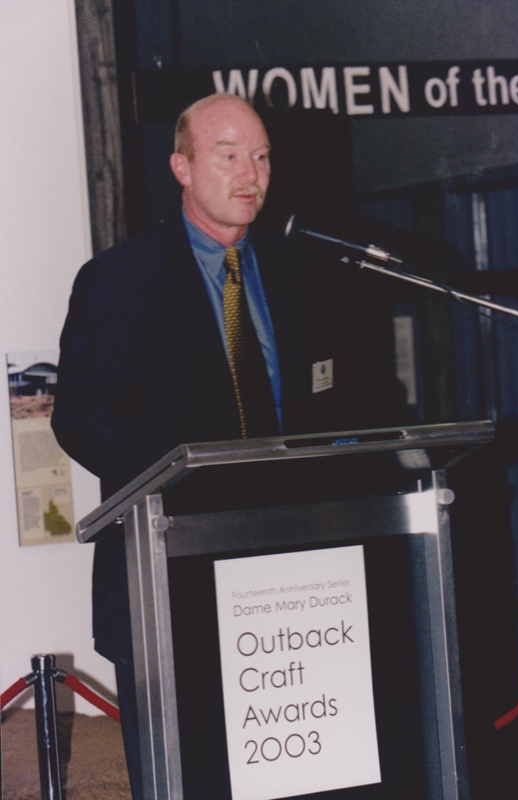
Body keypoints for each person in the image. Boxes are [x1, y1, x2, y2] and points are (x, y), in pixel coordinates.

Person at [52, 93, 405, 797]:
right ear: (181, 166)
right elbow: (81, 416)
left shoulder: (305, 275)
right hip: (171, 572)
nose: (251, 172)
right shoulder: (120, 281)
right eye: (228, 154)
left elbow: (353, 406)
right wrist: (186, 480)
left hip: (297, 590)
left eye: (262, 155)